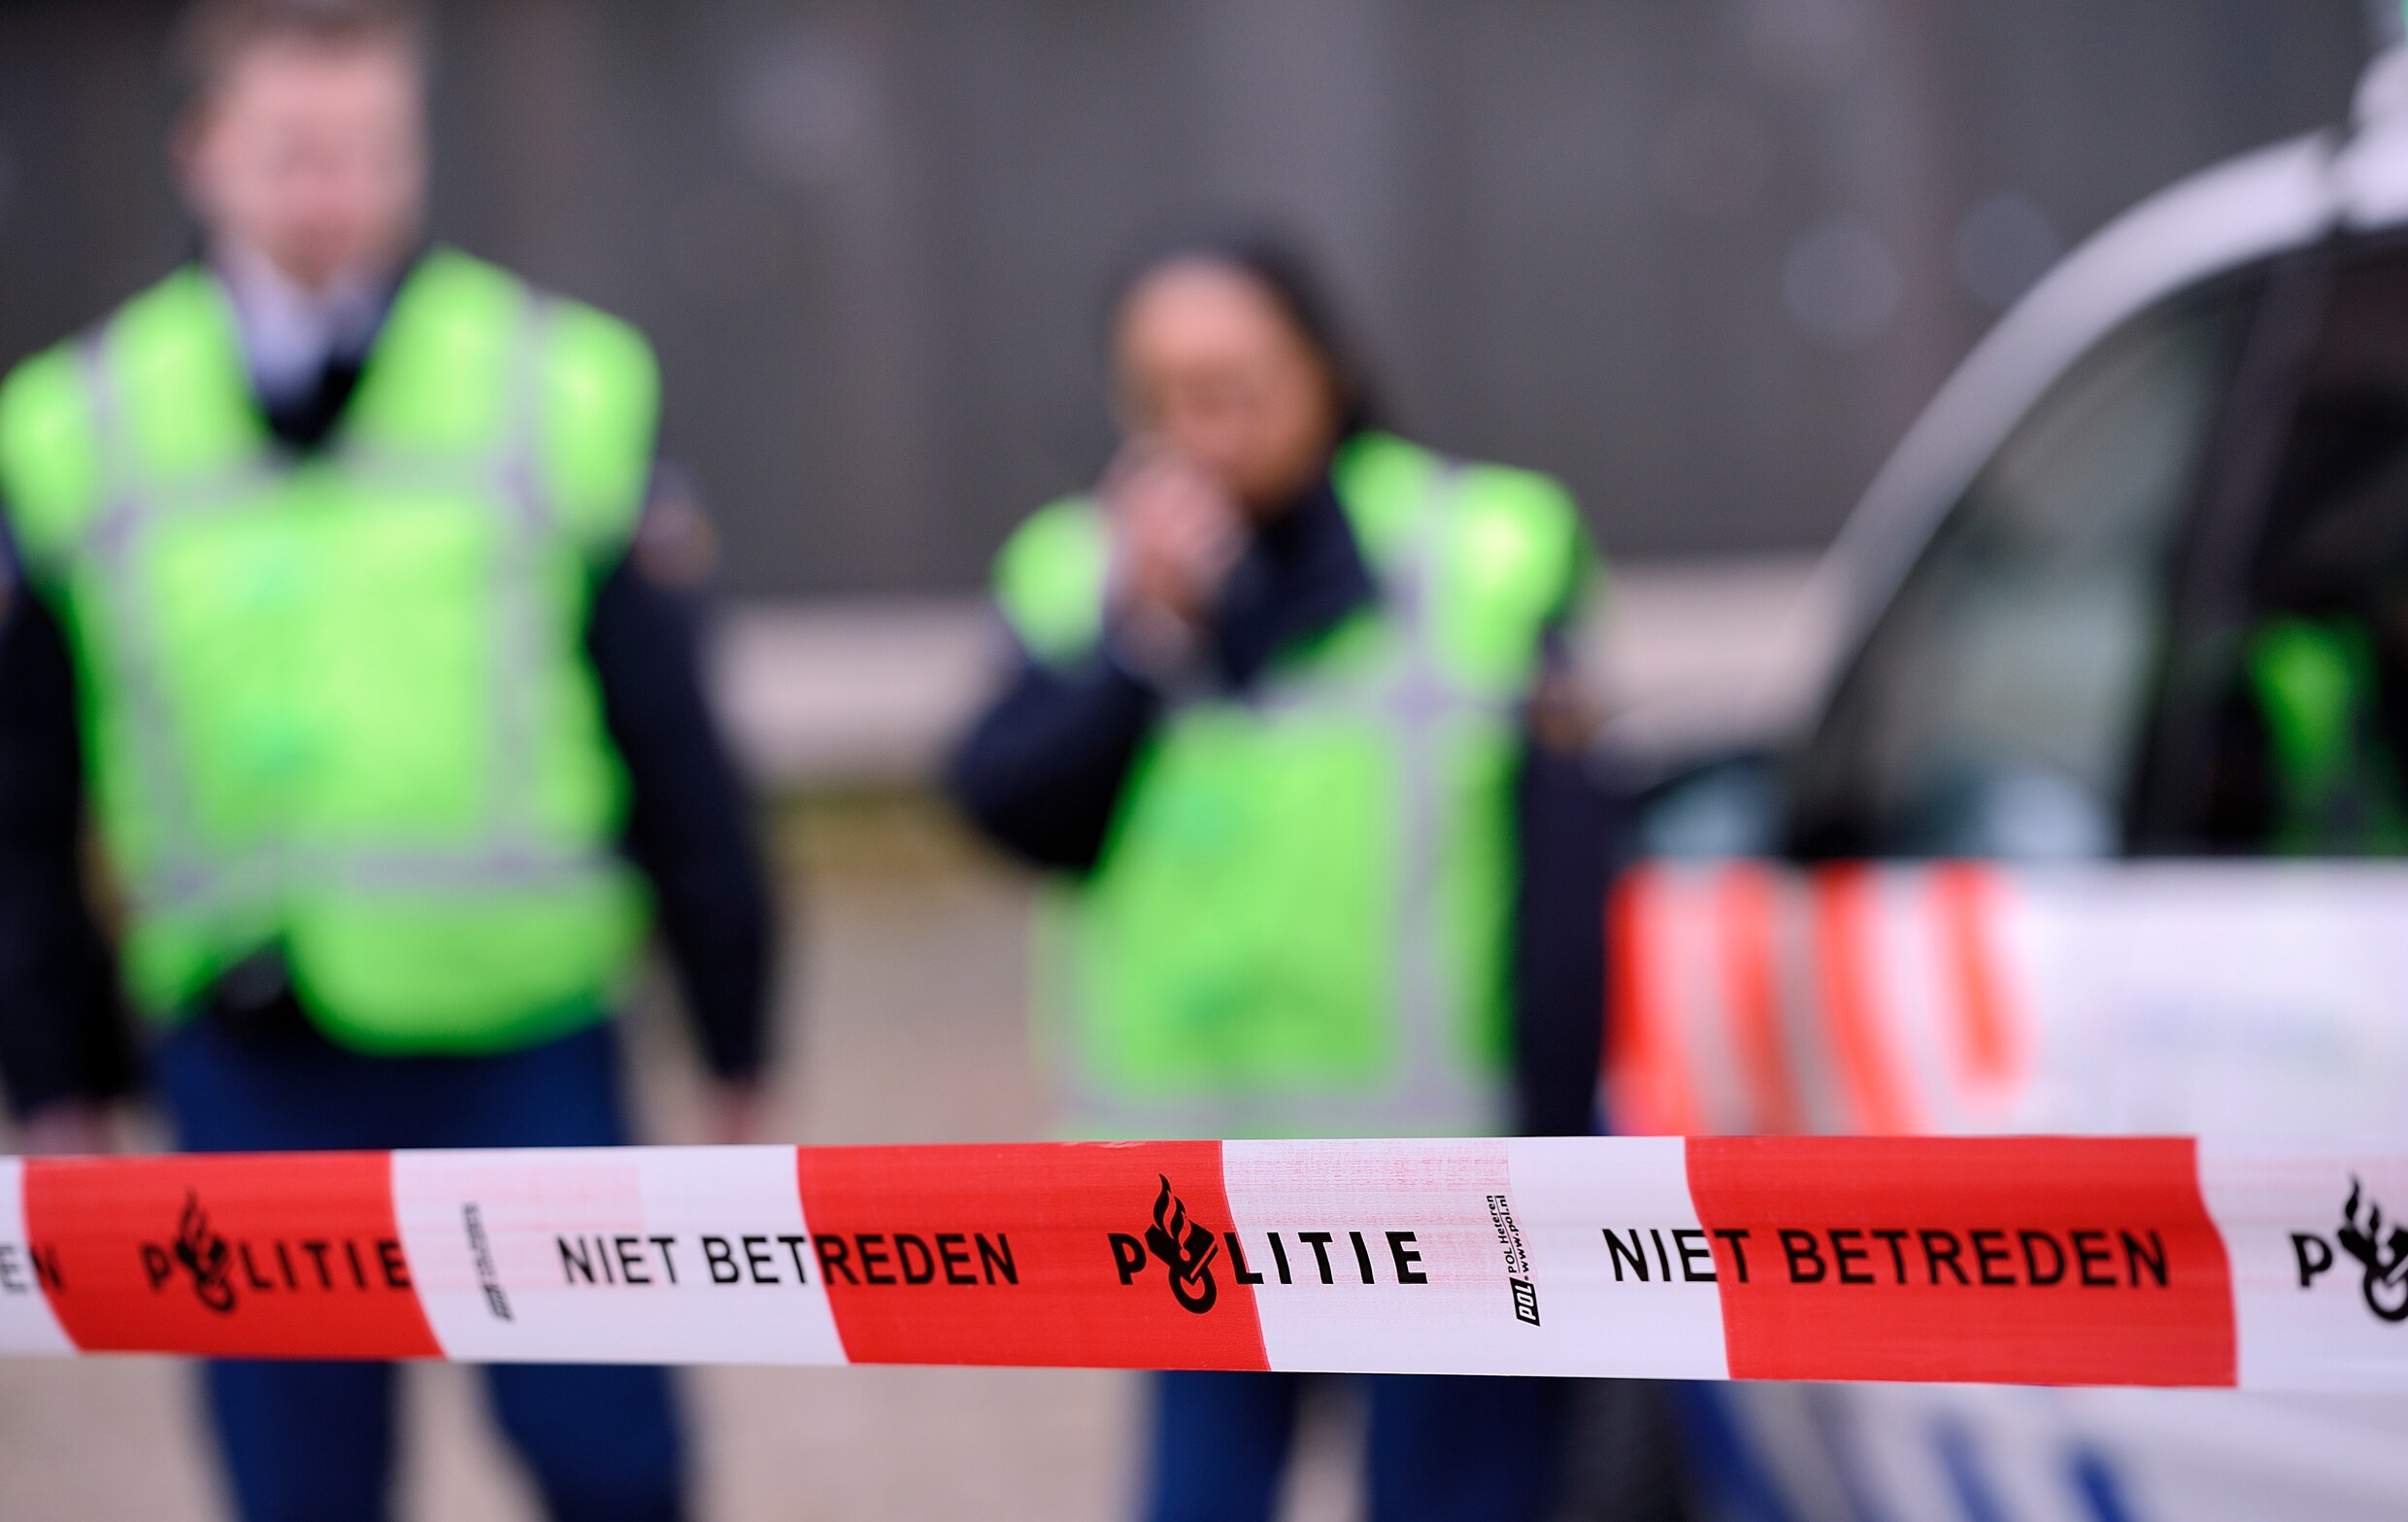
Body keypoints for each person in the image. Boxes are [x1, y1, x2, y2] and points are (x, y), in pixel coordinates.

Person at [0, 3, 773, 1519]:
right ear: (199, 152)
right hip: (243, 1046)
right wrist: (51, 1071)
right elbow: (22, 794)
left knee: (611, 1464)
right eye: (294, 154)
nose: (336, 194)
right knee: (298, 1482)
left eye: (373, 153)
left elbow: (673, 738)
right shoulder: (68, 426)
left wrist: (734, 1019)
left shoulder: (561, 383)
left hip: (525, 1030)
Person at [949, 233, 1613, 1522]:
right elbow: (1010, 805)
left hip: (1432, 1192)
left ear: (1327, 372)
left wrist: (1559, 1176)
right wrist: (1138, 643)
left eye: (1238, 387)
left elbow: (1566, 914)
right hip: (1184, 1201)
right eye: (1166, 397)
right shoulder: (1079, 572)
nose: (1207, 430)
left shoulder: (1488, 552)